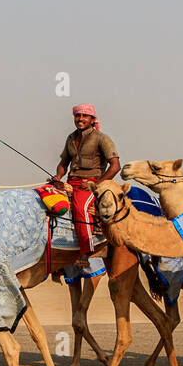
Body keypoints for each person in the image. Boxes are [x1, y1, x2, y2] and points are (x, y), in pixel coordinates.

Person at [52, 103, 120, 265]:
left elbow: (115, 166)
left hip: (91, 184)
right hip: (70, 182)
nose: (80, 119)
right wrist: (58, 176)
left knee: (80, 208)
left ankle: (85, 252)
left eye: (84, 116)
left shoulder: (102, 139)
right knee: (46, 200)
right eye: (78, 116)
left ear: (92, 119)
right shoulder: (71, 138)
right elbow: (64, 162)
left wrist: (95, 184)